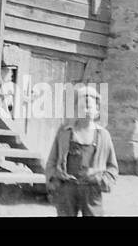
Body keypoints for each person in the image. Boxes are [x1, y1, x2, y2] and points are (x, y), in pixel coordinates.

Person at [43, 87, 118, 217]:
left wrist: (100, 179)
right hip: (67, 189)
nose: (87, 110)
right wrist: (55, 179)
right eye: (82, 106)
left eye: (90, 106)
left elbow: (113, 168)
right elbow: (51, 161)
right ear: (76, 109)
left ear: (97, 110)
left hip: (92, 190)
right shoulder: (64, 132)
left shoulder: (103, 136)